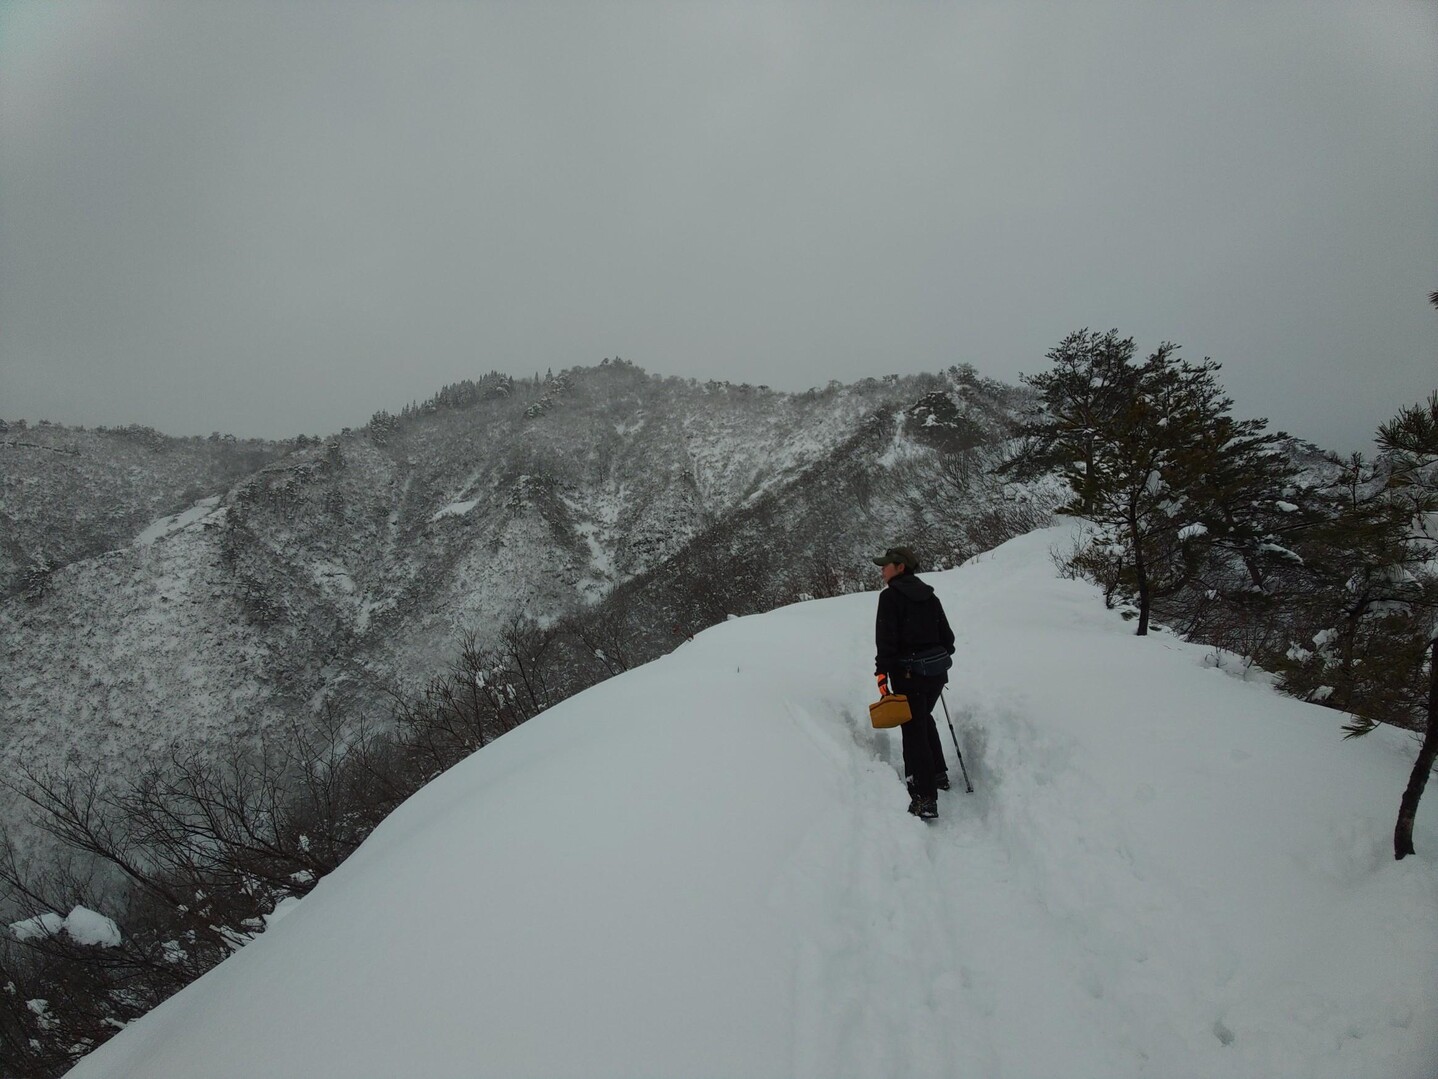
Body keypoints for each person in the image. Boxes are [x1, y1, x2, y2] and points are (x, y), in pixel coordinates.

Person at [872, 545, 955, 819]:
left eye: (886, 565)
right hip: (936, 674)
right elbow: (949, 641)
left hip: (908, 676)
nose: (882, 569)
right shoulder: (930, 597)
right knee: (923, 717)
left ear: (900, 567)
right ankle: (938, 772)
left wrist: (882, 674)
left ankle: (924, 798)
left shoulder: (890, 598)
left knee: (913, 729)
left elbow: (886, 642)